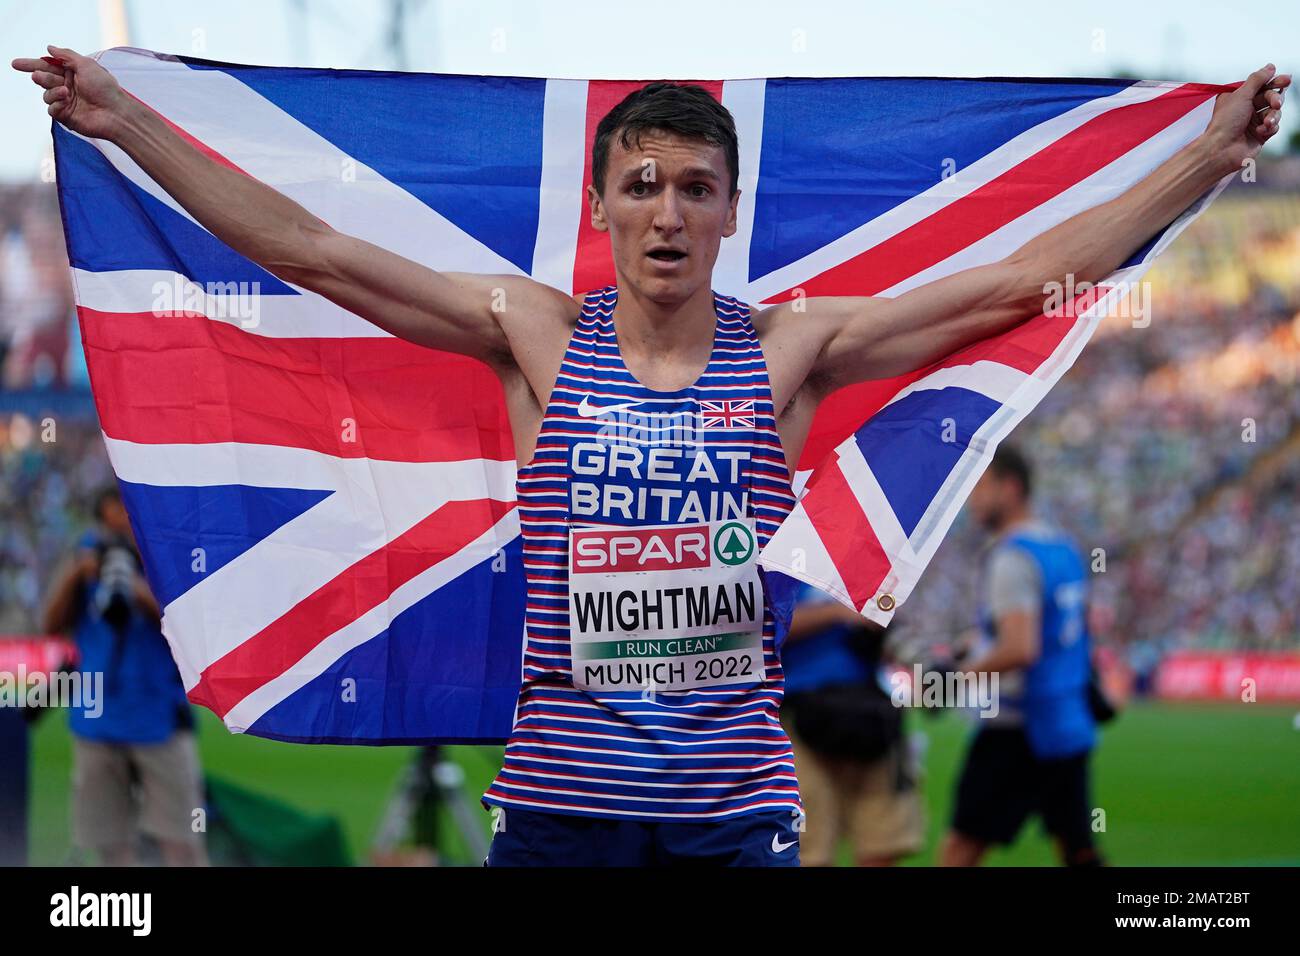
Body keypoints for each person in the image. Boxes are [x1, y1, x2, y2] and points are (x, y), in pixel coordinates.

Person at [14, 45, 1286, 867]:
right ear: (601, 206)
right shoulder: (530, 333)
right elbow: (314, 252)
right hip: (561, 809)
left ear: (729, 211)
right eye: (640, 184)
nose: (667, 209)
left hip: (735, 811)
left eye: (693, 185)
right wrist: (127, 124)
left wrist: (1206, 160)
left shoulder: (790, 348)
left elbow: (1012, 283)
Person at [939, 445, 1102, 867]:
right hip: (1066, 718)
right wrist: (975, 642)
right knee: (1079, 850)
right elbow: (1059, 632)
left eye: (980, 486)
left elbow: (1020, 647)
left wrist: (951, 679)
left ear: (1010, 488)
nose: (971, 498)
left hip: (1018, 725)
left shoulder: (1012, 556)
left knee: (959, 850)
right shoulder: (1062, 548)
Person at [41, 486, 207, 866]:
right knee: (109, 842)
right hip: (98, 719)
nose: (118, 532)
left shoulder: (168, 555)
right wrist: (77, 576)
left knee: (181, 839)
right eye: (109, 521)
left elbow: (192, 633)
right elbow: (51, 625)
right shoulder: (82, 556)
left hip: (158, 717)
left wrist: (140, 591)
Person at [781, 582, 924, 866]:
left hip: (869, 710)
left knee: (882, 838)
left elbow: (893, 627)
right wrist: (839, 612)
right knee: (806, 845)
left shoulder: (867, 556)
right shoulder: (777, 558)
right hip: (799, 713)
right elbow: (761, 626)